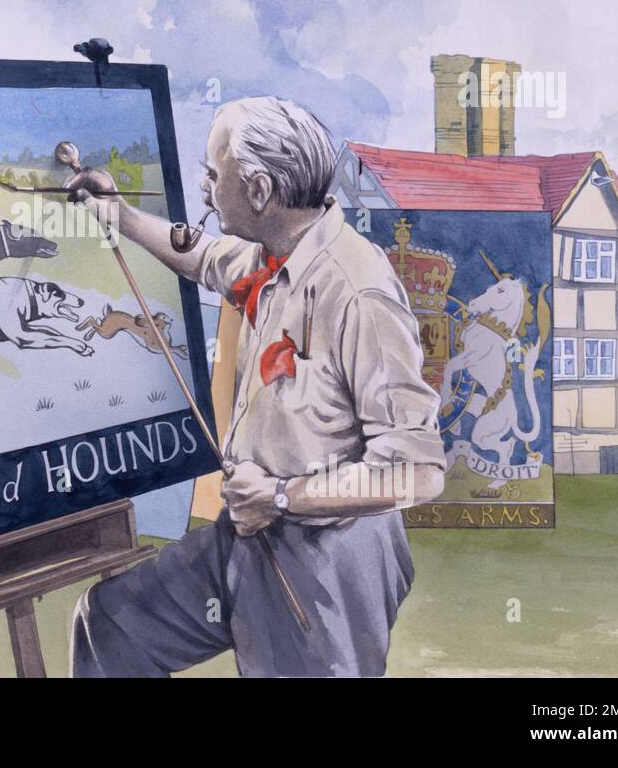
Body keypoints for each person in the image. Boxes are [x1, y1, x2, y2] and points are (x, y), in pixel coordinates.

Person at [67, 95, 446, 677]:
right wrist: (117, 213)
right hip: (247, 531)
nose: (204, 188)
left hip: (327, 557)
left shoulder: (357, 291)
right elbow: (199, 256)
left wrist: (280, 496)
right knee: (110, 622)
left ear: (262, 190)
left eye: (214, 176)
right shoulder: (270, 254)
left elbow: (418, 472)